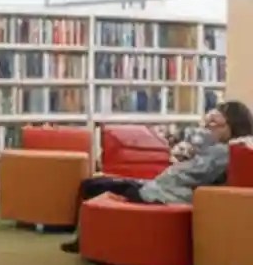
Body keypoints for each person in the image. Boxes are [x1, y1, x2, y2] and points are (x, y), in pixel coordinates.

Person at [60, 100, 253, 253]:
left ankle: (82, 239)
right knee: (96, 183)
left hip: (162, 194)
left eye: (215, 125)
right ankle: (83, 237)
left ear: (233, 126)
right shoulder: (222, 149)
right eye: (208, 124)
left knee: (93, 186)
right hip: (161, 188)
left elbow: (189, 174)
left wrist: (188, 157)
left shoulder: (222, 151)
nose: (209, 129)